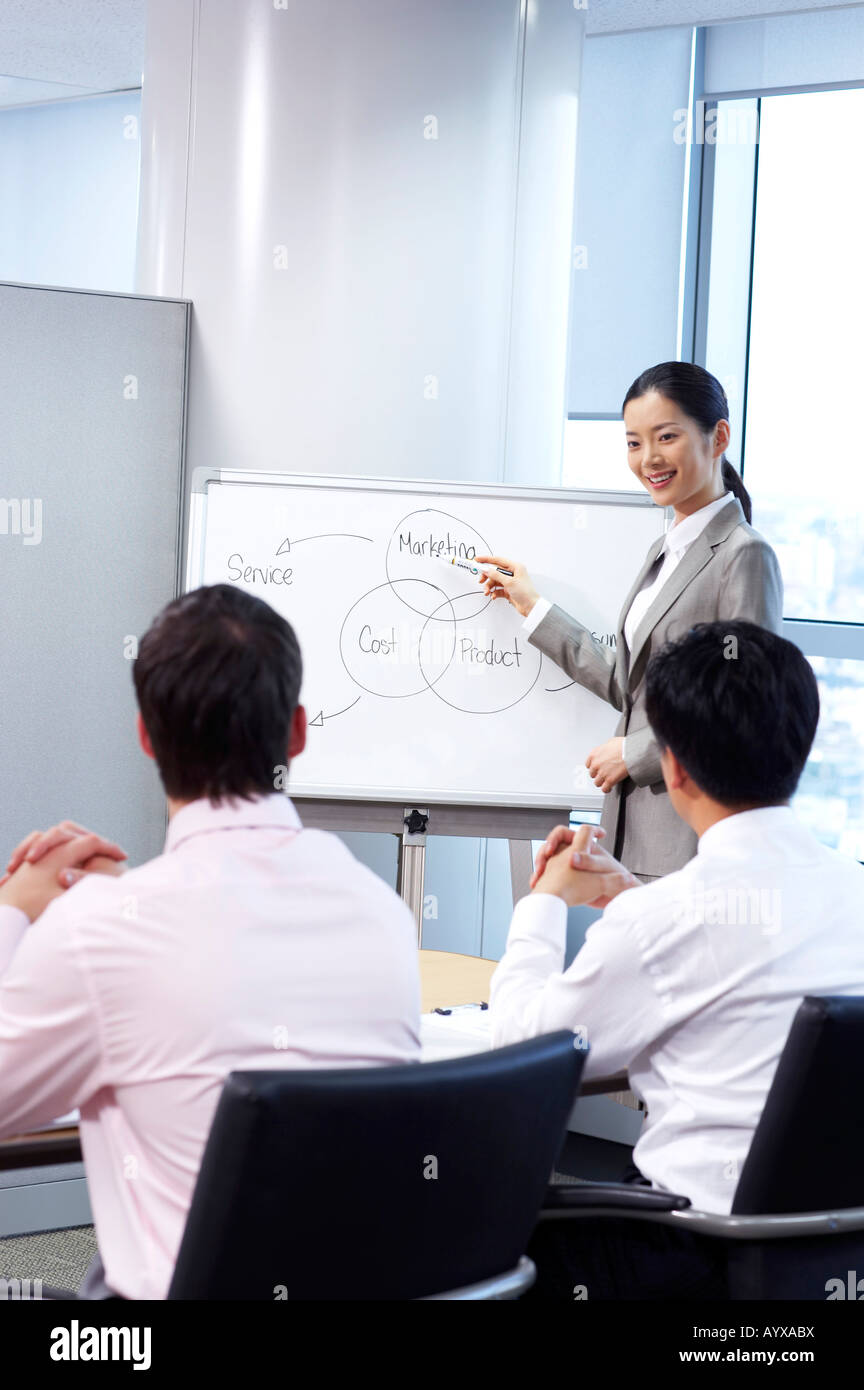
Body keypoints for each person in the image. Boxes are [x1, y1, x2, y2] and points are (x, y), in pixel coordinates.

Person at [0, 584, 420, 1300]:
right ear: (296, 732)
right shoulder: (382, 911)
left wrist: (13, 909)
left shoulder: (98, 932)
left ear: (145, 737)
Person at [490, 620, 864, 1297]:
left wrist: (544, 901)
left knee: (489, 1244)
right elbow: (746, 950)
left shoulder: (664, 922)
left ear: (675, 766)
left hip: (699, 1257)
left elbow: (520, 1045)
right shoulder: (852, 888)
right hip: (835, 1257)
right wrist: (630, 897)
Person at [476, 362, 783, 880]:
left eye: (666, 437)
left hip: (688, 841)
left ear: (719, 437)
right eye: (634, 443)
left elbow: (743, 707)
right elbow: (631, 685)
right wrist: (532, 606)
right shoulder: (663, 552)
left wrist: (636, 753)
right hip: (632, 834)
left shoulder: (742, 555)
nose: (649, 459)